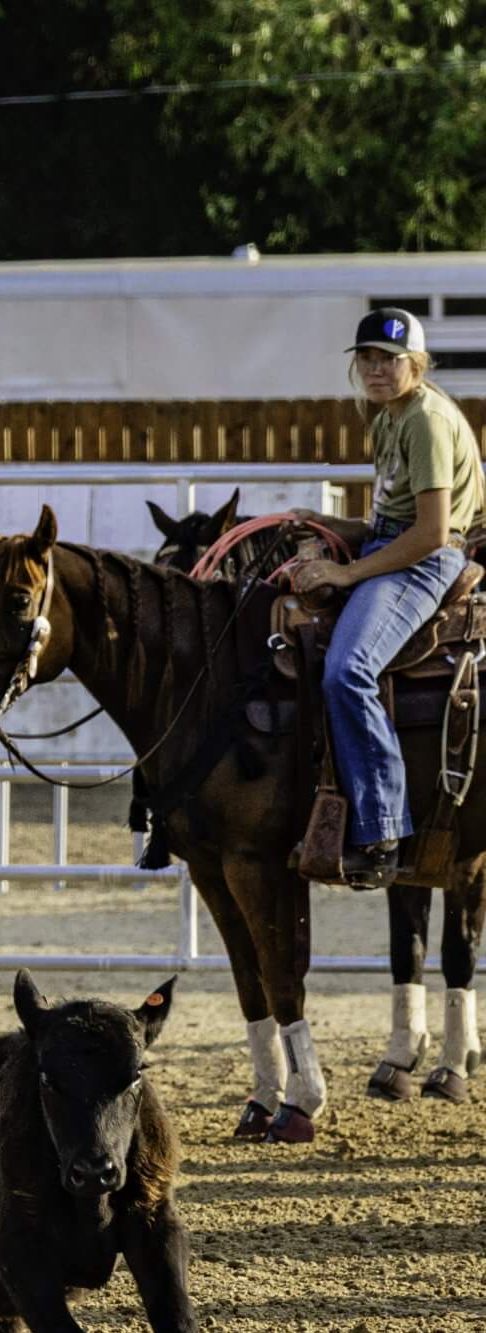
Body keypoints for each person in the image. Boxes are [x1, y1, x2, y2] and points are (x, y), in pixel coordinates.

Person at [291, 308, 485, 894]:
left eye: (389, 360)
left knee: (346, 672)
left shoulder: (425, 420)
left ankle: (382, 829)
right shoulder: (387, 417)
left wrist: (347, 575)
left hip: (428, 561)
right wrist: (325, 525)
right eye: (367, 359)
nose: (376, 370)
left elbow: (429, 533)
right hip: (399, 547)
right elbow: (389, 522)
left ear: (415, 364)